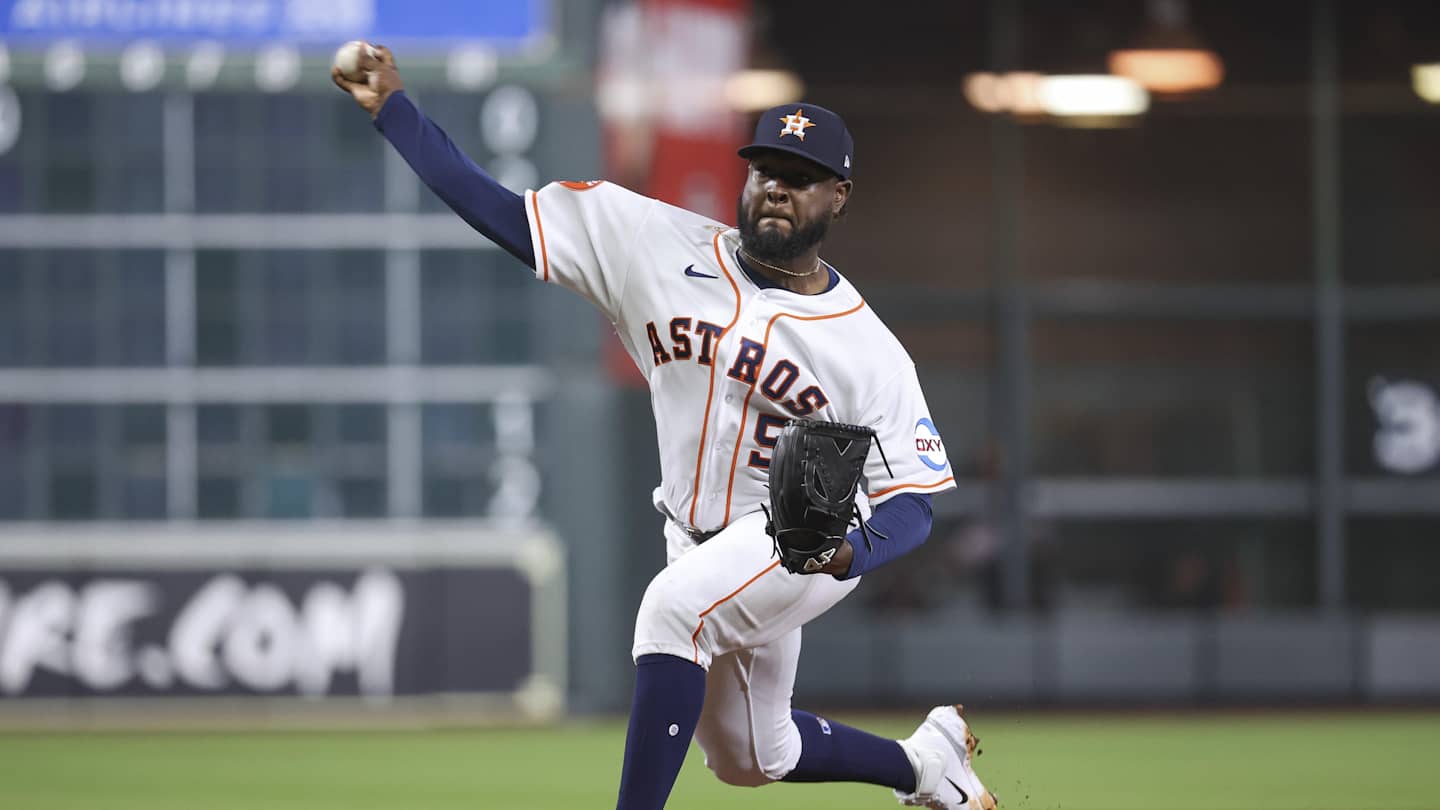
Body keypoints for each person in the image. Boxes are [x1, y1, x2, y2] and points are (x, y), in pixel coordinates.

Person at [333, 45, 997, 810]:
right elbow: (502, 212)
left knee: (671, 613)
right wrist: (396, 112)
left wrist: (850, 551)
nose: (777, 188)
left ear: (838, 196)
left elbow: (913, 503)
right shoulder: (651, 245)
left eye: (801, 177)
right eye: (765, 169)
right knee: (753, 755)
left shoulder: (868, 350)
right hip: (692, 537)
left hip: (798, 542)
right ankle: (927, 768)